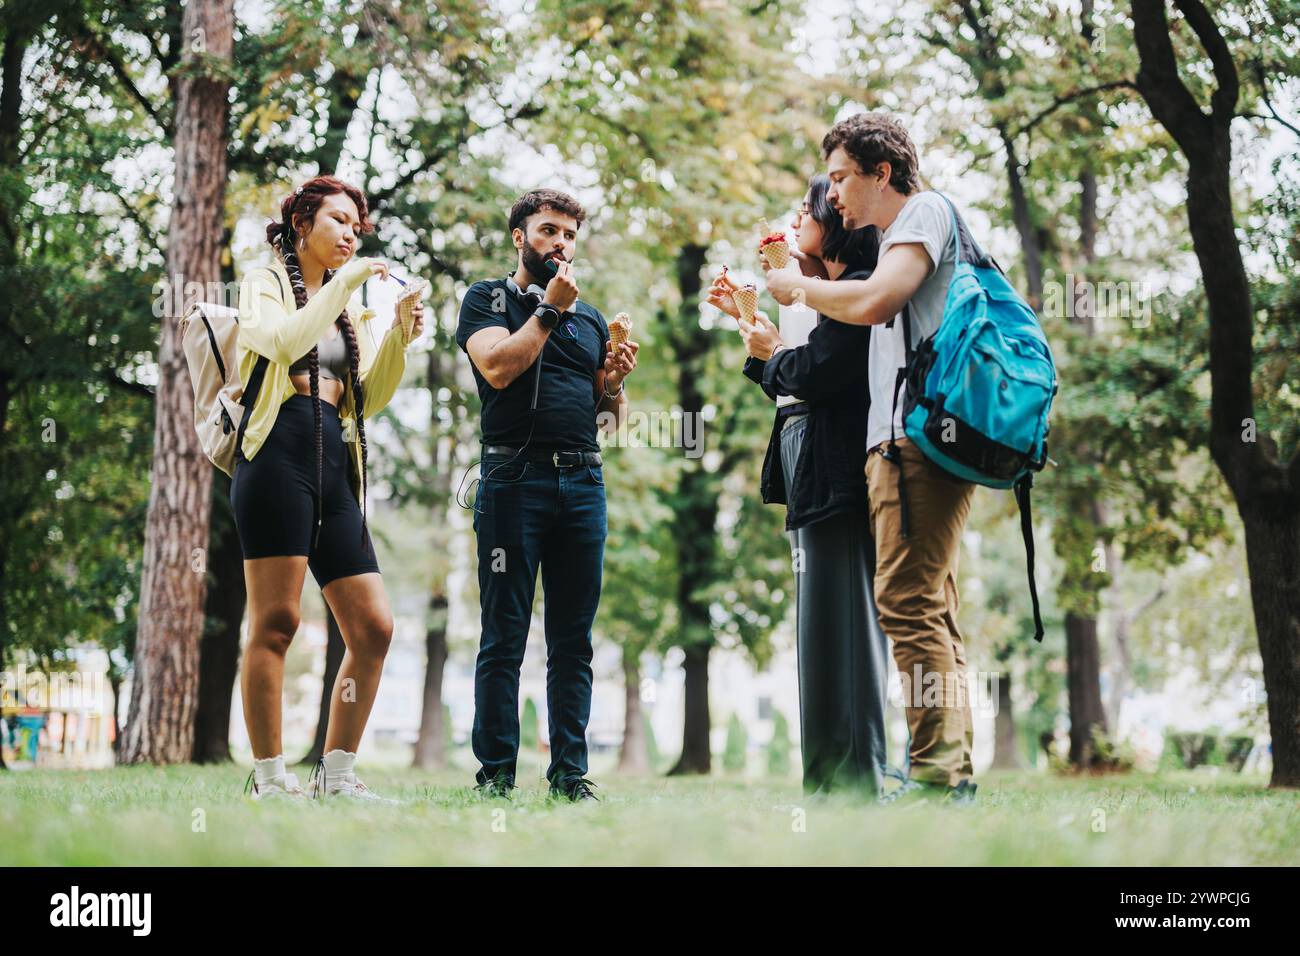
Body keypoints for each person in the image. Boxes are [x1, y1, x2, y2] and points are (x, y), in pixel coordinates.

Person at [763, 113, 980, 805]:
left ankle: (940, 777)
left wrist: (795, 288)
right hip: (903, 443)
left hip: (915, 444)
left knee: (910, 606)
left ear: (879, 172)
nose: (834, 196)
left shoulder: (921, 214)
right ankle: (949, 772)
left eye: (839, 178)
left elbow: (874, 302)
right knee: (926, 607)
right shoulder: (895, 234)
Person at [232, 175, 425, 803]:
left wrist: (396, 334)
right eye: (338, 221)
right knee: (278, 621)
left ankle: (337, 776)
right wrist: (345, 282)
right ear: (301, 225)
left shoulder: (350, 313)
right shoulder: (265, 286)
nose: (351, 233)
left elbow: (370, 398)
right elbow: (282, 343)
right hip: (277, 454)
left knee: (373, 626)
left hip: (333, 462)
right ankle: (268, 779)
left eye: (356, 225)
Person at [708, 174, 893, 797]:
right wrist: (754, 327)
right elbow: (791, 379)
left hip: (839, 465)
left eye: (811, 207)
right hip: (811, 463)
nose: (796, 216)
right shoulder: (825, 286)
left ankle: (852, 779)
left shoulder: (854, 287)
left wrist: (771, 350)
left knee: (841, 623)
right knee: (821, 629)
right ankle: (831, 778)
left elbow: (819, 370)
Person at [455, 188, 638, 802]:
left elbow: (610, 423)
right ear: (519, 236)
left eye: (568, 235)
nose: (560, 244)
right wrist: (548, 312)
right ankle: (496, 777)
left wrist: (612, 382)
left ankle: (569, 777)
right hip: (512, 481)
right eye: (548, 231)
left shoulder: (589, 318)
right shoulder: (488, 298)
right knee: (503, 634)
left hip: (583, 482)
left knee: (573, 640)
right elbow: (499, 369)